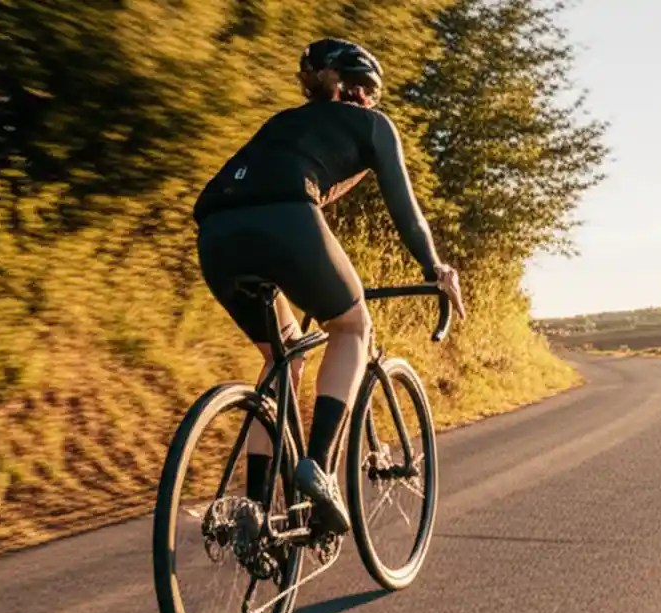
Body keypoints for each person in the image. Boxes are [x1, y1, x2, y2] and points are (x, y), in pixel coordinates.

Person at [192, 37, 466, 537]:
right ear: (362, 92)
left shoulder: (282, 123)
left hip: (214, 237)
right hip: (288, 222)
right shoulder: (373, 125)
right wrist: (435, 267)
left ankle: (254, 511)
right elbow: (408, 214)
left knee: (285, 357)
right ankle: (318, 468)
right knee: (353, 325)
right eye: (372, 97)